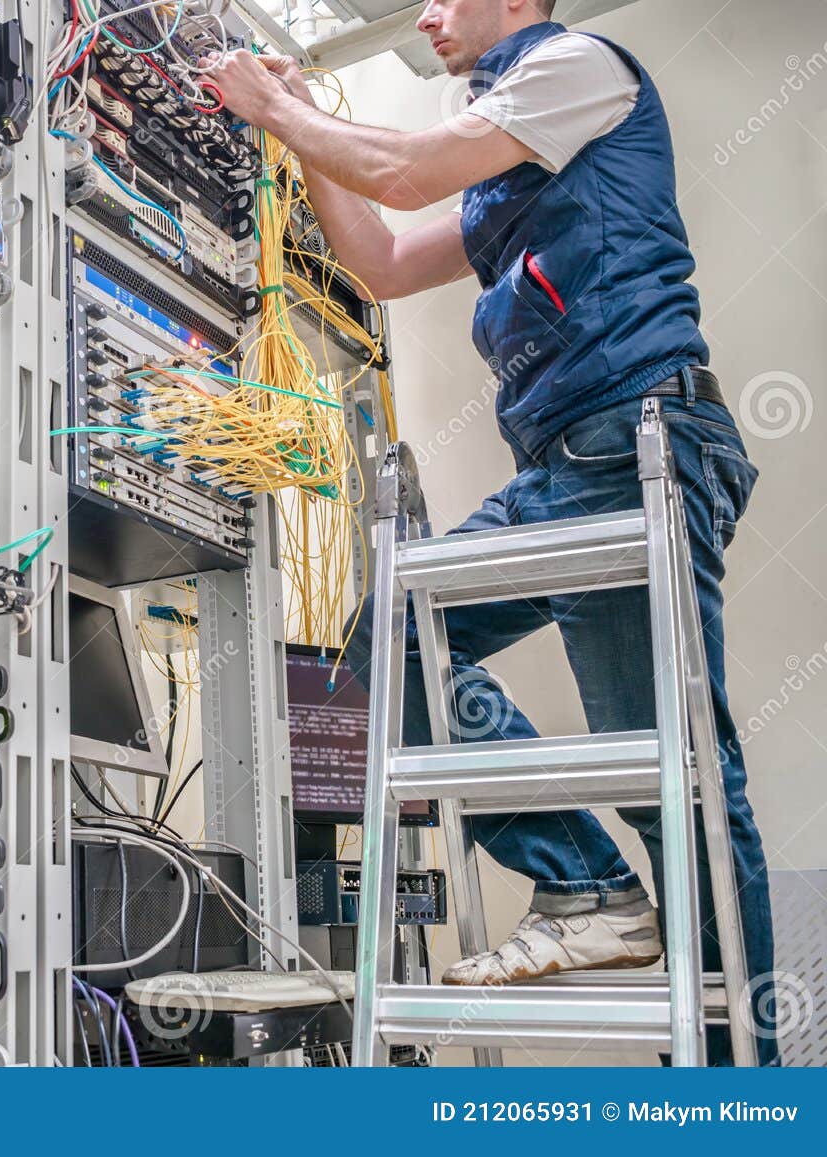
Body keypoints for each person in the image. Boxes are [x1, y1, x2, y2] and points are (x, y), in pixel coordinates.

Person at [204, 0, 774, 1064]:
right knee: (391, 643)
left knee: (676, 780)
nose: (423, 14)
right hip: (559, 467)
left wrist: (280, 100)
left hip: (633, 444)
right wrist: (285, 124)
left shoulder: (574, 67)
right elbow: (376, 257)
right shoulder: (511, 165)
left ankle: (737, 1074)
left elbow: (409, 172)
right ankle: (585, 883)